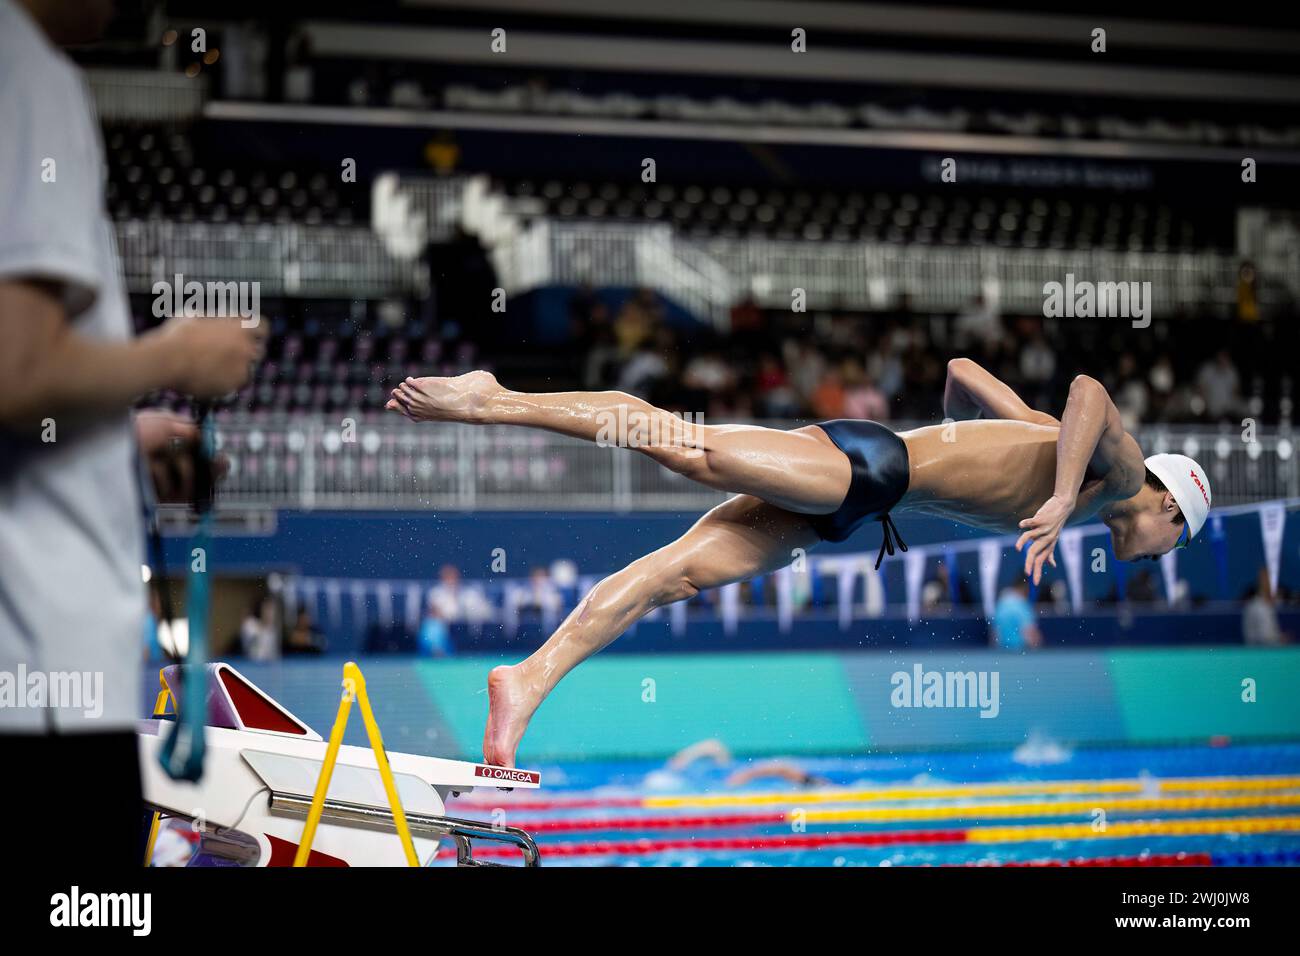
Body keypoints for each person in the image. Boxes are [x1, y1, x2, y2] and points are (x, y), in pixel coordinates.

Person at [388, 356, 1212, 767]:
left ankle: (527, 678)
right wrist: (1064, 496)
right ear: (1173, 509)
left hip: (866, 499)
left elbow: (961, 372)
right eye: (1178, 542)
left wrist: (957, 443)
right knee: (691, 447)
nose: (1158, 557)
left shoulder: (1052, 439)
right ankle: (494, 399)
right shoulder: (1124, 476)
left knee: (677, 572)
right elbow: (1091, 391)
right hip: (869, 466)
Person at [0, 0, 262, 866]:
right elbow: (18, 372)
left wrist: (118, 435)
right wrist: (178, 353)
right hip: (41, 681)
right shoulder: (25, 71)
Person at [991, 581, 1042, 650]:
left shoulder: (1000, 604)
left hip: (1002, 652)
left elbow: (995, 634)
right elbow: (1031, 634)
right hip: (1021, 652)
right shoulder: (1022, 605)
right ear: (1025, 589)